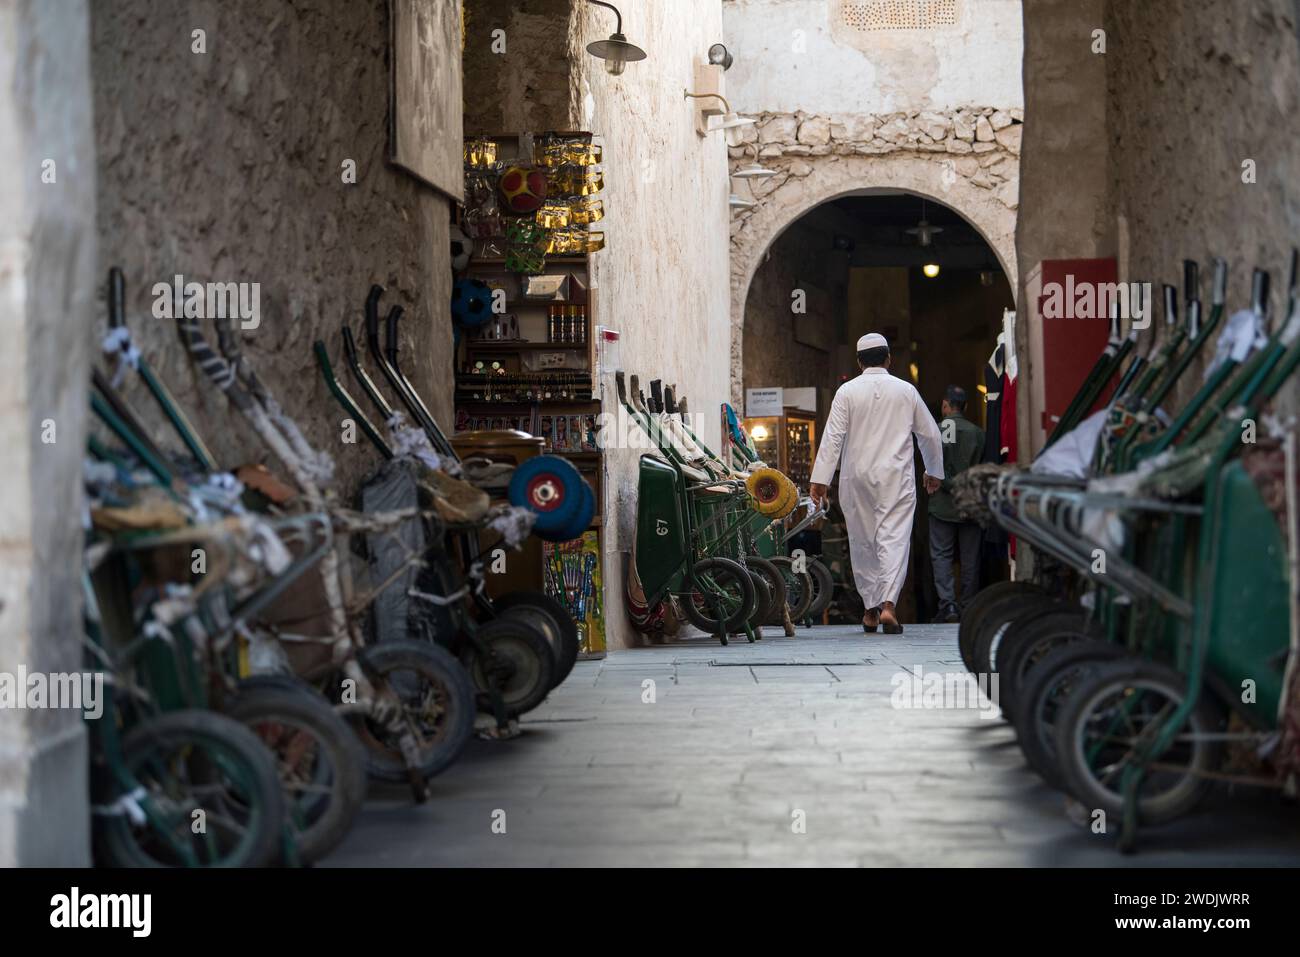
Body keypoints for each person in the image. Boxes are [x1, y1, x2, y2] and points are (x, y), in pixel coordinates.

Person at [809, 333, 944, 634]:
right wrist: (933, 470)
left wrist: (820, 480)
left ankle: (870, 609)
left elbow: (832, 437)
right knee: (893, 538)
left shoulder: (846, 392)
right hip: (895, 477)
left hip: (856, 477)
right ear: (888, 359)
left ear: (858, 362)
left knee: (862, 539)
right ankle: (888, 606)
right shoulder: (906, 390)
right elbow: (931, 434)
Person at [928, 385, 985, 623]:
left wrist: (940, 481)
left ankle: (948, 605)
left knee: (942, 555)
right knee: (971, 557)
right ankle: (969, 606)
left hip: (941, 505)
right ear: (966, 407)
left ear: (945, 405)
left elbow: (931, 468)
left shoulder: (935, 431)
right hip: (970, 504)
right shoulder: (978, 433)